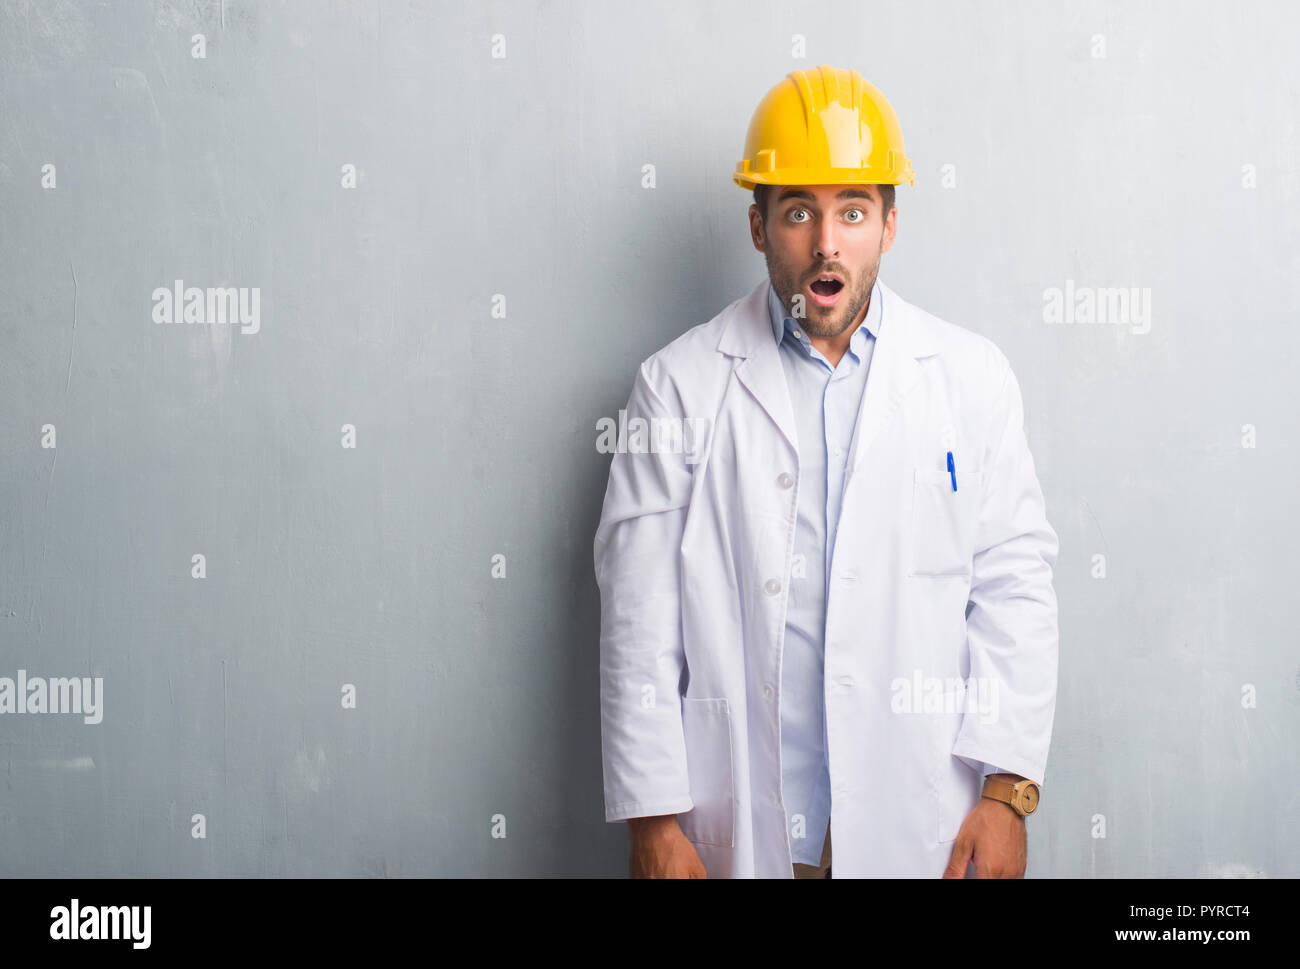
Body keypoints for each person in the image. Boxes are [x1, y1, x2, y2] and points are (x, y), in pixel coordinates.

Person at [594, 66, 1059, 878]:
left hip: (925, 816)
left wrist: (1007, 790)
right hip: (740, 821)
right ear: (757, 226)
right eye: (798, 211)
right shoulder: (676, 386)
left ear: (889, 225)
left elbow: (1013, 587)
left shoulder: (971, 378)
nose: (826, 242)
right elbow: (638, 619)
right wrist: (652, 823)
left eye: (853, 210)